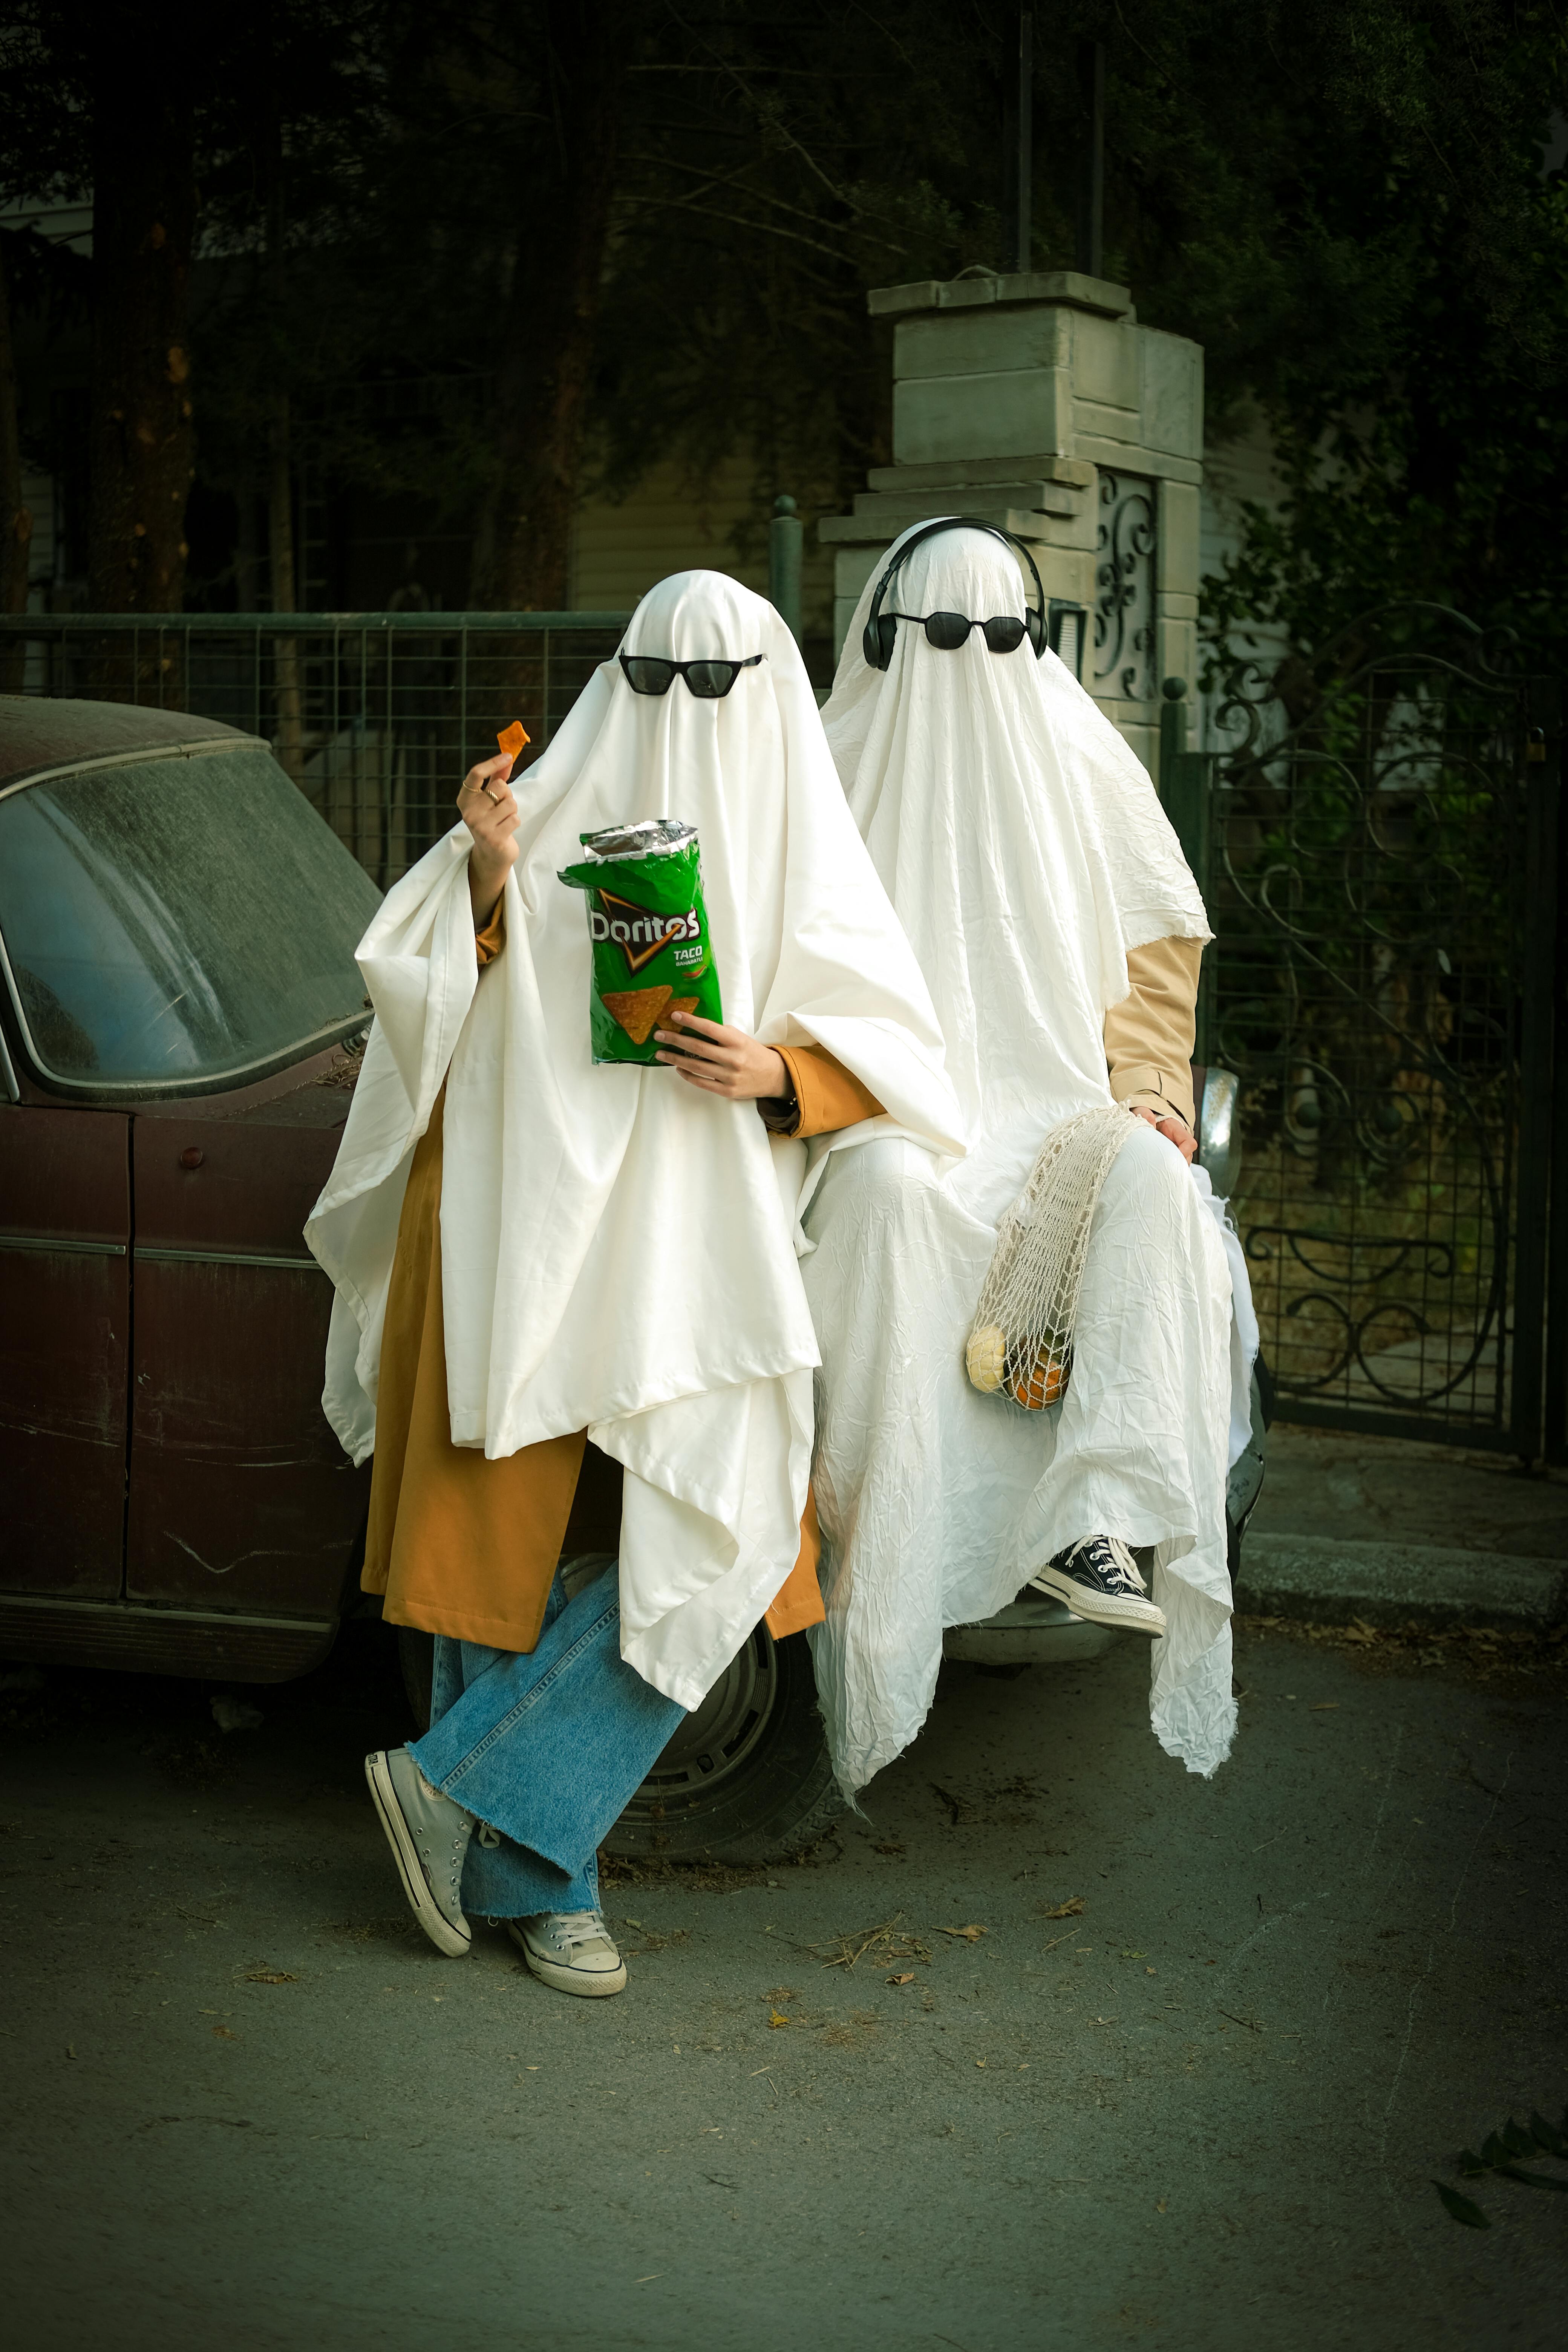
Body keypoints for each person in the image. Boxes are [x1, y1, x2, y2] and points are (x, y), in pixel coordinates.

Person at [305, 570, 962, 1994]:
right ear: (620, 673)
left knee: (723, 1540)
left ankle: (466, 1796)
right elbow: (420, 982)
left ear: (774, 694)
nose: (683, 715)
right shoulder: (539, 809)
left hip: (705, 1263)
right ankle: (553, 1890)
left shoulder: (809, 842)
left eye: (718, 686)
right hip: (519, 1236)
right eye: (656, 678)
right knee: (504, 1554)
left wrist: (786, 1072)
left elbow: (900, 1044)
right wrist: (485, 874)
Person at [799, 519, 1256, 1799]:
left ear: (1034, 640)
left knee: (1158, 1184)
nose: (973, 661)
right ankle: (887, 1563)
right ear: (892, 637)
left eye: (1001, 637)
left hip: (1050, 1118)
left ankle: (1094, 1520)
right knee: (891, 1200)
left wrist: (1157, 1095)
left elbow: (1161, 951)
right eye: (945, 638)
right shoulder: (828, 768)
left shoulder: (1078, 757)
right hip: (881, 1121)